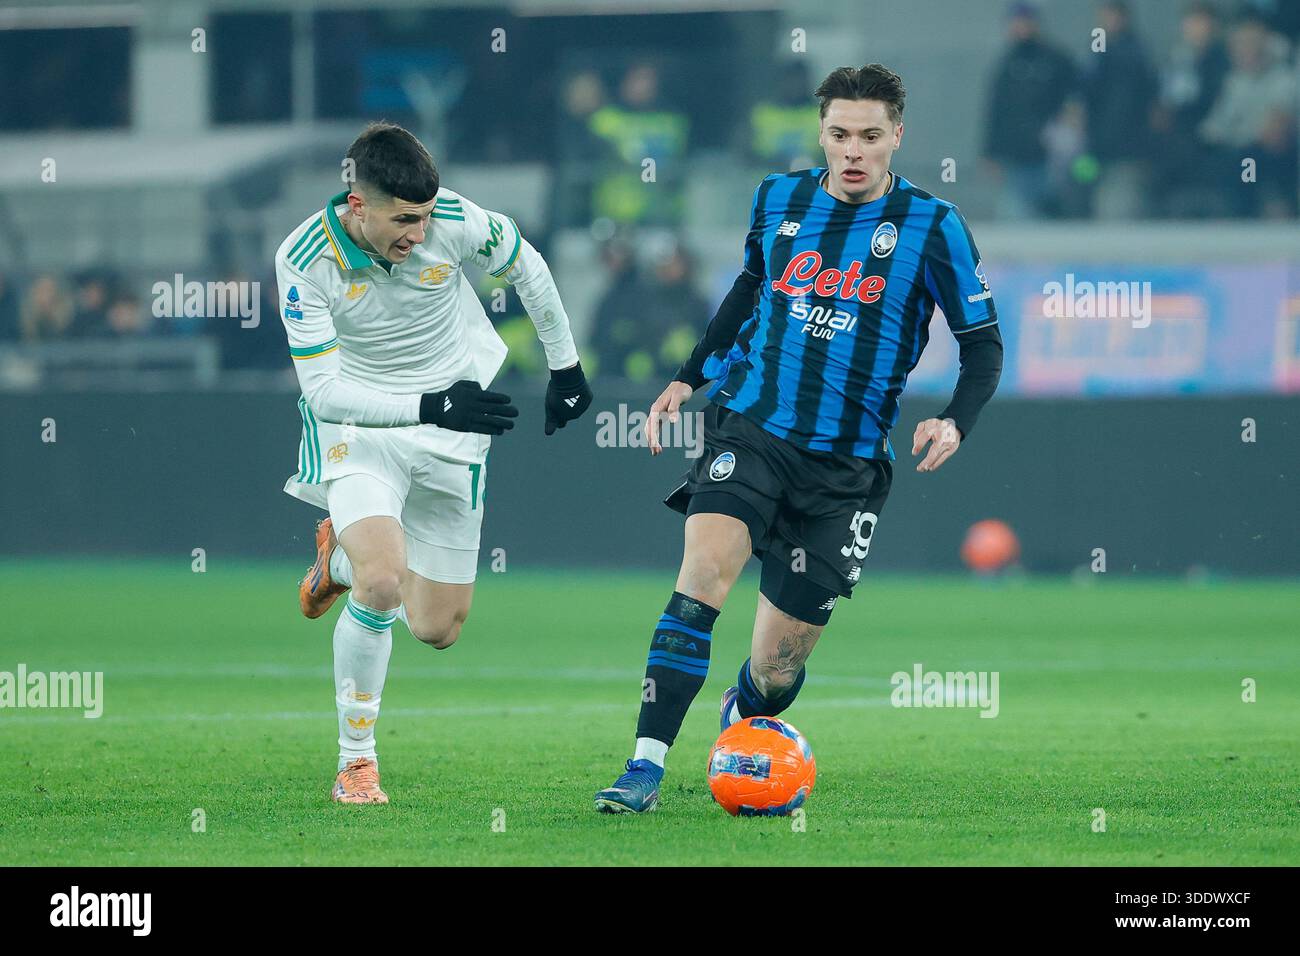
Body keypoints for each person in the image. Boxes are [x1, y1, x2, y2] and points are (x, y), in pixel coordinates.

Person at [594, 64, 1003, 813]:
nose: (853, 151)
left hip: (844, 467)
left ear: (897, 137)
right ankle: (644, 765)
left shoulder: (934, 226)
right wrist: (689, 378)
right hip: (752, 428)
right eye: (840, 134)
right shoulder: (777, 199)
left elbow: (983, 346)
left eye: (870, 137)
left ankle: (744, 711)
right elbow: (749, 290)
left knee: (777, 672)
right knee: (702, 579)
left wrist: (954, 419)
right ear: (822, 130)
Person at [278, 122, 592, 804]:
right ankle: (356, 764)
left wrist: (566, 366)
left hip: (453, 426)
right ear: (357, 204)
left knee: (437, 629)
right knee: (384, 581)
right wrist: (429, 406)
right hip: (361, 429)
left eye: (423, 217)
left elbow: (528, 268)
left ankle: (337, 559)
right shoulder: (305, 259)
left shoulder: (452, 217)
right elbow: (324, 392)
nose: (418, 234)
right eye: (401, 220)